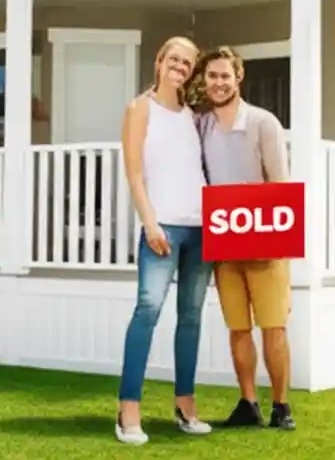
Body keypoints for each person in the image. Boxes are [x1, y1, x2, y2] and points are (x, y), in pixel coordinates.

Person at [114, 35, 214, 445]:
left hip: (201, 229)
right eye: (174, 58)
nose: (180, 66)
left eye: (187, 62)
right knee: (148, 310)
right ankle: (128, 411)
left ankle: (185, 406)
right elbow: (135, 172)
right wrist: (150, 222)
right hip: (163, 228)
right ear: (159, 62)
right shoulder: (140, 108)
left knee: (190, 318)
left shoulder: (192, 115)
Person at [194, 45, 297, 431]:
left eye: (225, 75)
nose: (219, 83)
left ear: (239, 77)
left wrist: (277, 240)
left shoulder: (263, 122)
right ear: (204, 82)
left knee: (273, 325)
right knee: (237, 326)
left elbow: (281, 183)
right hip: (224, 237)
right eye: (212, 76)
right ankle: (248, 403)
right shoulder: (201, 124)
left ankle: (281, 406)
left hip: (264, 233)